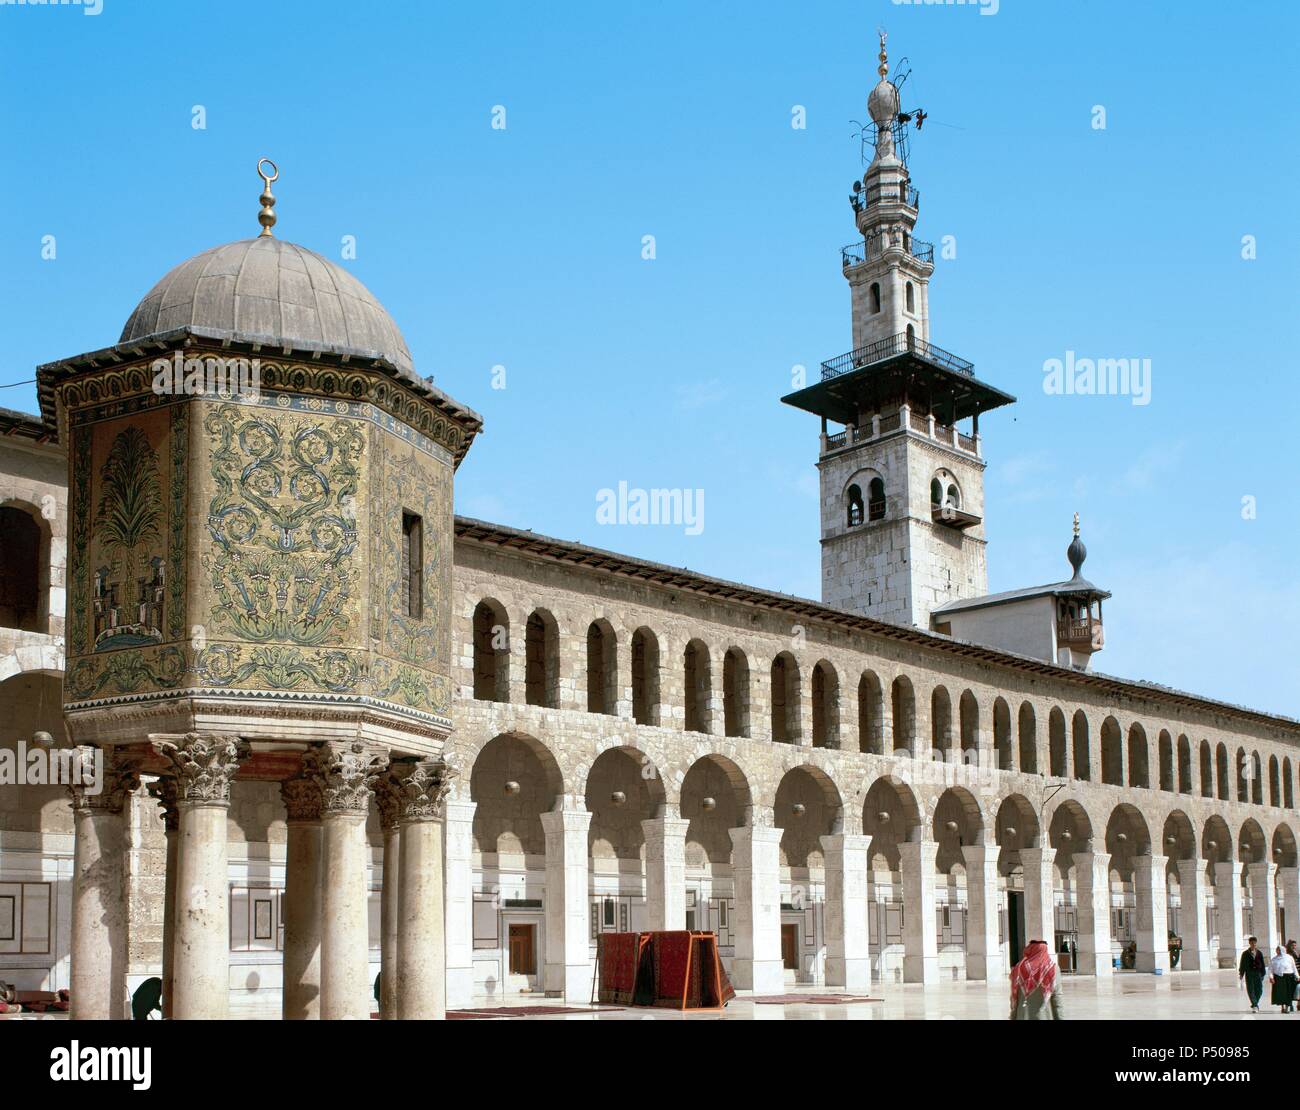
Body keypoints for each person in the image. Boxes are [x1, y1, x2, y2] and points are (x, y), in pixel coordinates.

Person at [1010, 939, 1064, 1020]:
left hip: (1022, 1016)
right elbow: (1057, 997)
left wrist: (1013, 1017)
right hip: (1044, 1016)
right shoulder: (1052, 969)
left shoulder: (1019, 967)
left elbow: (1014, 997)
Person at [1239, 936, 1266, 1012]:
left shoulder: (1259, 953)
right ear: (1249, 943)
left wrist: (1263, 973)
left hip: (1258, 973)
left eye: (1254, 943)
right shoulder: (1245, 953)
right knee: (1251, 989)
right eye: (1251, 943)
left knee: (1259, 990)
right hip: (1249, 973)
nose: (1253, 944)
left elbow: (1262, 963)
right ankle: (1255, 1005)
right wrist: (1241, 973)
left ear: (1256, 943)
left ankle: (1255, 1003)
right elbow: (1242, 964)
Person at [1270, 946, 1298, 1013]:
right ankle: (1282, 1007)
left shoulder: (1289, 957)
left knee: (1288, 993)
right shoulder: (1274, 959)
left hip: (1289, 977)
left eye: (1279, 950)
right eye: (1277, 950)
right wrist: (1271, 977)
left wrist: (1297, 976)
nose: (1277, 951)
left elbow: (1294, 967)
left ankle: (1287, 1007)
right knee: (1281, 993)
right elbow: (1270, 969)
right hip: (1279, 977)